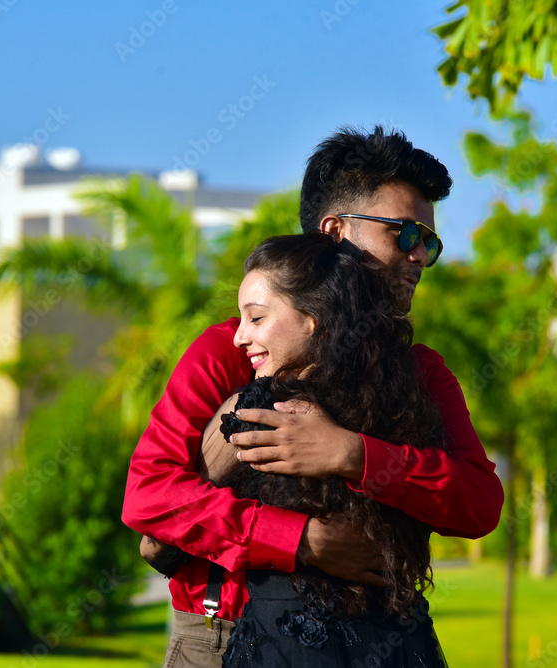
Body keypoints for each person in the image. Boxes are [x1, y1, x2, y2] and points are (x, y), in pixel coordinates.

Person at [121, 126, 504, 665]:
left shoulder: (420, 372)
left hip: (380, 640)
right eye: (407, 234)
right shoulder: (231, 352)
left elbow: (479, 504)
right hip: (223, 633)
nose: (420, 256)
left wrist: (352, 454)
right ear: (335, 230)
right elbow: (150, 494)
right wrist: (301, 540)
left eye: (430, 242)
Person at [215, 233, 449, 666]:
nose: (238, 337)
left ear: (313, 318)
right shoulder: (406, 397)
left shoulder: (259, 407)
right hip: (399, 642)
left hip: (290, 648)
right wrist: (303, 539)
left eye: (257, 318)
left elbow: (158, 532)